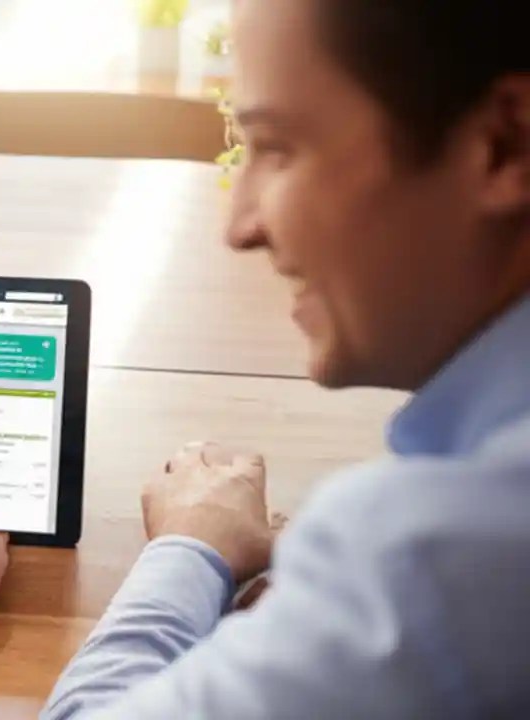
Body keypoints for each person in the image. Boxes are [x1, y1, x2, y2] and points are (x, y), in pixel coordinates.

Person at [37, 0, 529, 717]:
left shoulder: (435, 550)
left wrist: (190, 548)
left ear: (504, 146)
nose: (239, 225)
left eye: (278, 147)